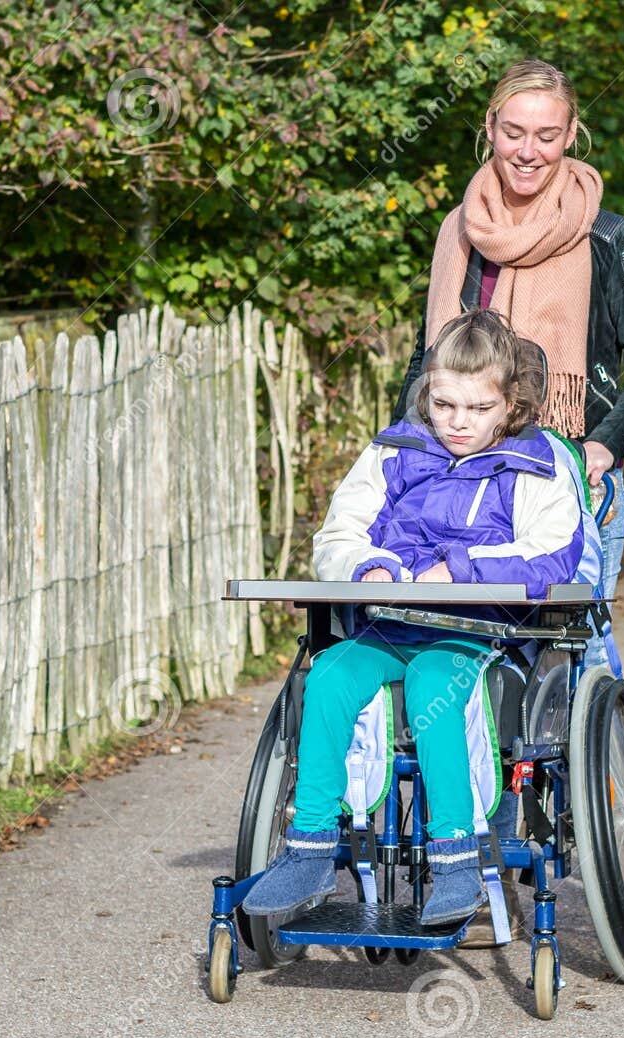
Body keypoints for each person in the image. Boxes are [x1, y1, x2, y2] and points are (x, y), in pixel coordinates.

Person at [241, 310, 601, 927]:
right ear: (426, 392)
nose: (458, 422)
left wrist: (456, 568)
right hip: (386, 623)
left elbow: (554, 554)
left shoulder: (536, 465)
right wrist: (369, 568)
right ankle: (309, 849)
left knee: (437, 684)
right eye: (444, 404)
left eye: (478, 409)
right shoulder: (394, 450)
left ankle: (457, 861)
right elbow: (339, 532)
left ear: (510, 402)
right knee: (327, 676)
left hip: (479, 633)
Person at [391, 57, 624, 674]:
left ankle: (607, 768)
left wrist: (603, 445)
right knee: (461, 655)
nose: (529, 151)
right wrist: (396, 454)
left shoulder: (610, 238)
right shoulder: (459, 234)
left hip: (570, 480)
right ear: (490, 127)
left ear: (571, 134)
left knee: (576, 660)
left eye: (547, 136)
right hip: (460, 484)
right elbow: (428, 361)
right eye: (514, 132)